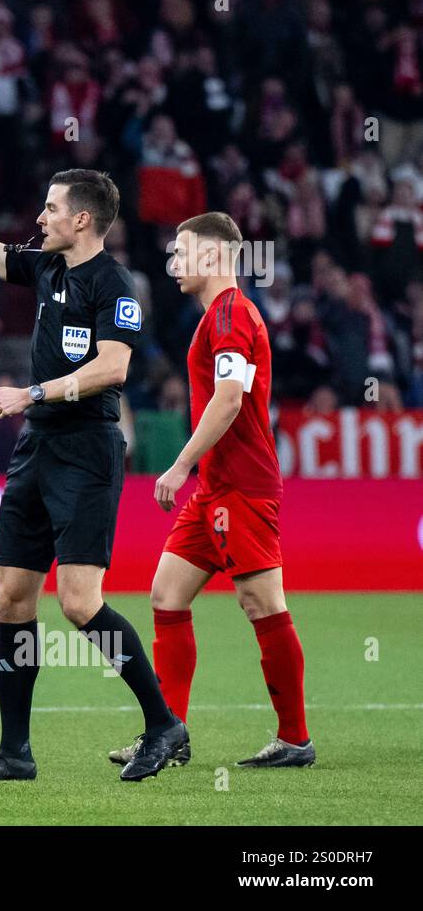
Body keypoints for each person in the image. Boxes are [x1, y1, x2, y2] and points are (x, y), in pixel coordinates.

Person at [0, 125, 186, 782]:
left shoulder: (113, 285)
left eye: (52, 209)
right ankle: (15, 753)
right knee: (11, 598)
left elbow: (113, 367)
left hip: (87, 449)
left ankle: (162, 723)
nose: (40, 217)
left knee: (81, 604)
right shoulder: (47, 265)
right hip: (39, 449)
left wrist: (34, 392)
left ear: (82, 219)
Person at [109, 212, 313, 769]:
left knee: (261, 603)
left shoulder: (230, 316)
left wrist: (177, 467)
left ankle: (295, 738)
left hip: (242, 485)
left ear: (215, 256)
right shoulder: (216, 318)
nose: (174, 262)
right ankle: (169, 732)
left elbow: (228, 400)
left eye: (184, 251)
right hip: (216, 487)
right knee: (166, 594)